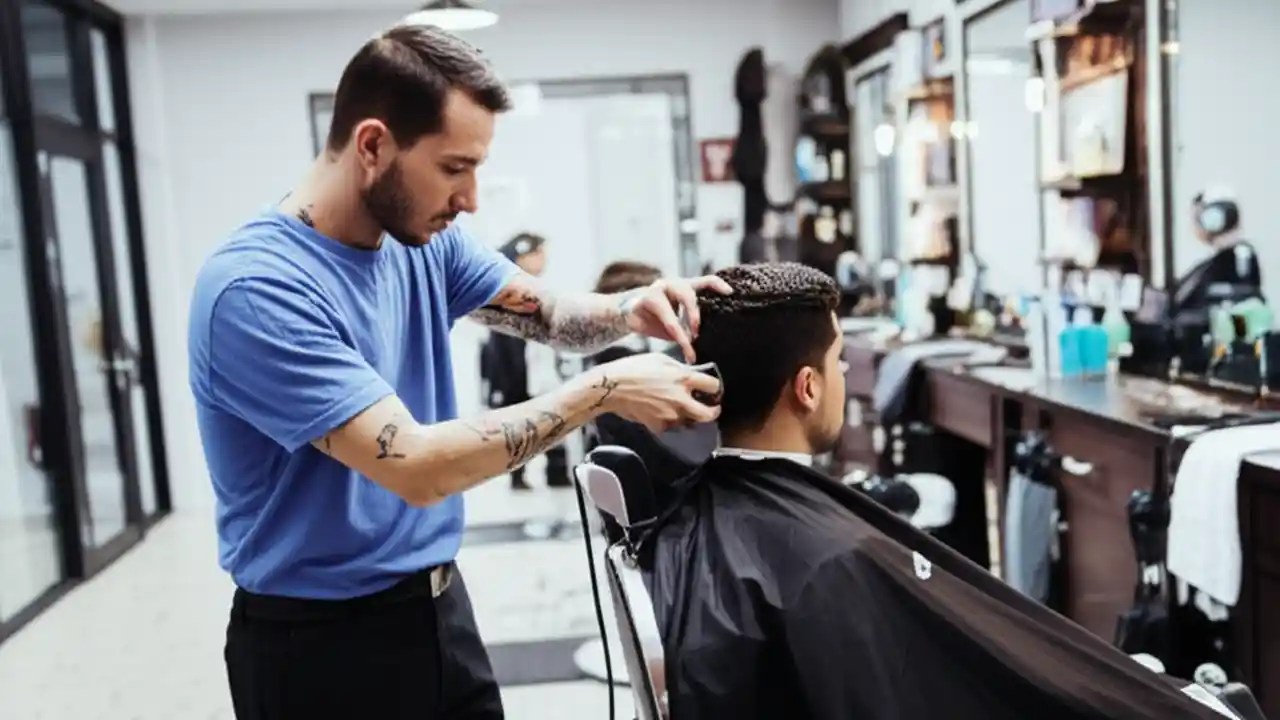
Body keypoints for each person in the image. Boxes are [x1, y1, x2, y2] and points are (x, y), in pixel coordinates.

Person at [187, 23, 728, 720]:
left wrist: (633, 307)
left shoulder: (419, 243)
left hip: (439, 613)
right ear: (373, 145)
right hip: (317, 650)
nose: (472, 198)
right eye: (453, 168)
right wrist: (606, 389)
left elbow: (553, 316)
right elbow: (415, 465)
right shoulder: (256, 291)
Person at [636, 262, 1224, 719]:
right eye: (840, 360)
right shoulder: (829, 561)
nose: (845, 375)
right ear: (808, 386)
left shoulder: (709, 508)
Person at [478, 232, 566, 490]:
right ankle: (519, 474)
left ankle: (556, 471)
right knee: (520, 423)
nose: (543, 260)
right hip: (516, 375)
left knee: (553, 420)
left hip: (541, 370)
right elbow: (501, 348)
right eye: (538, 254)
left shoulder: (539, 290)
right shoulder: (508, 293)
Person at [1169, 185, 1263, 322]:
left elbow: (1241, 300)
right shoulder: (1210, 264)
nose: (1195, 225)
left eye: (1198, 217)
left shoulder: (1240, 256)